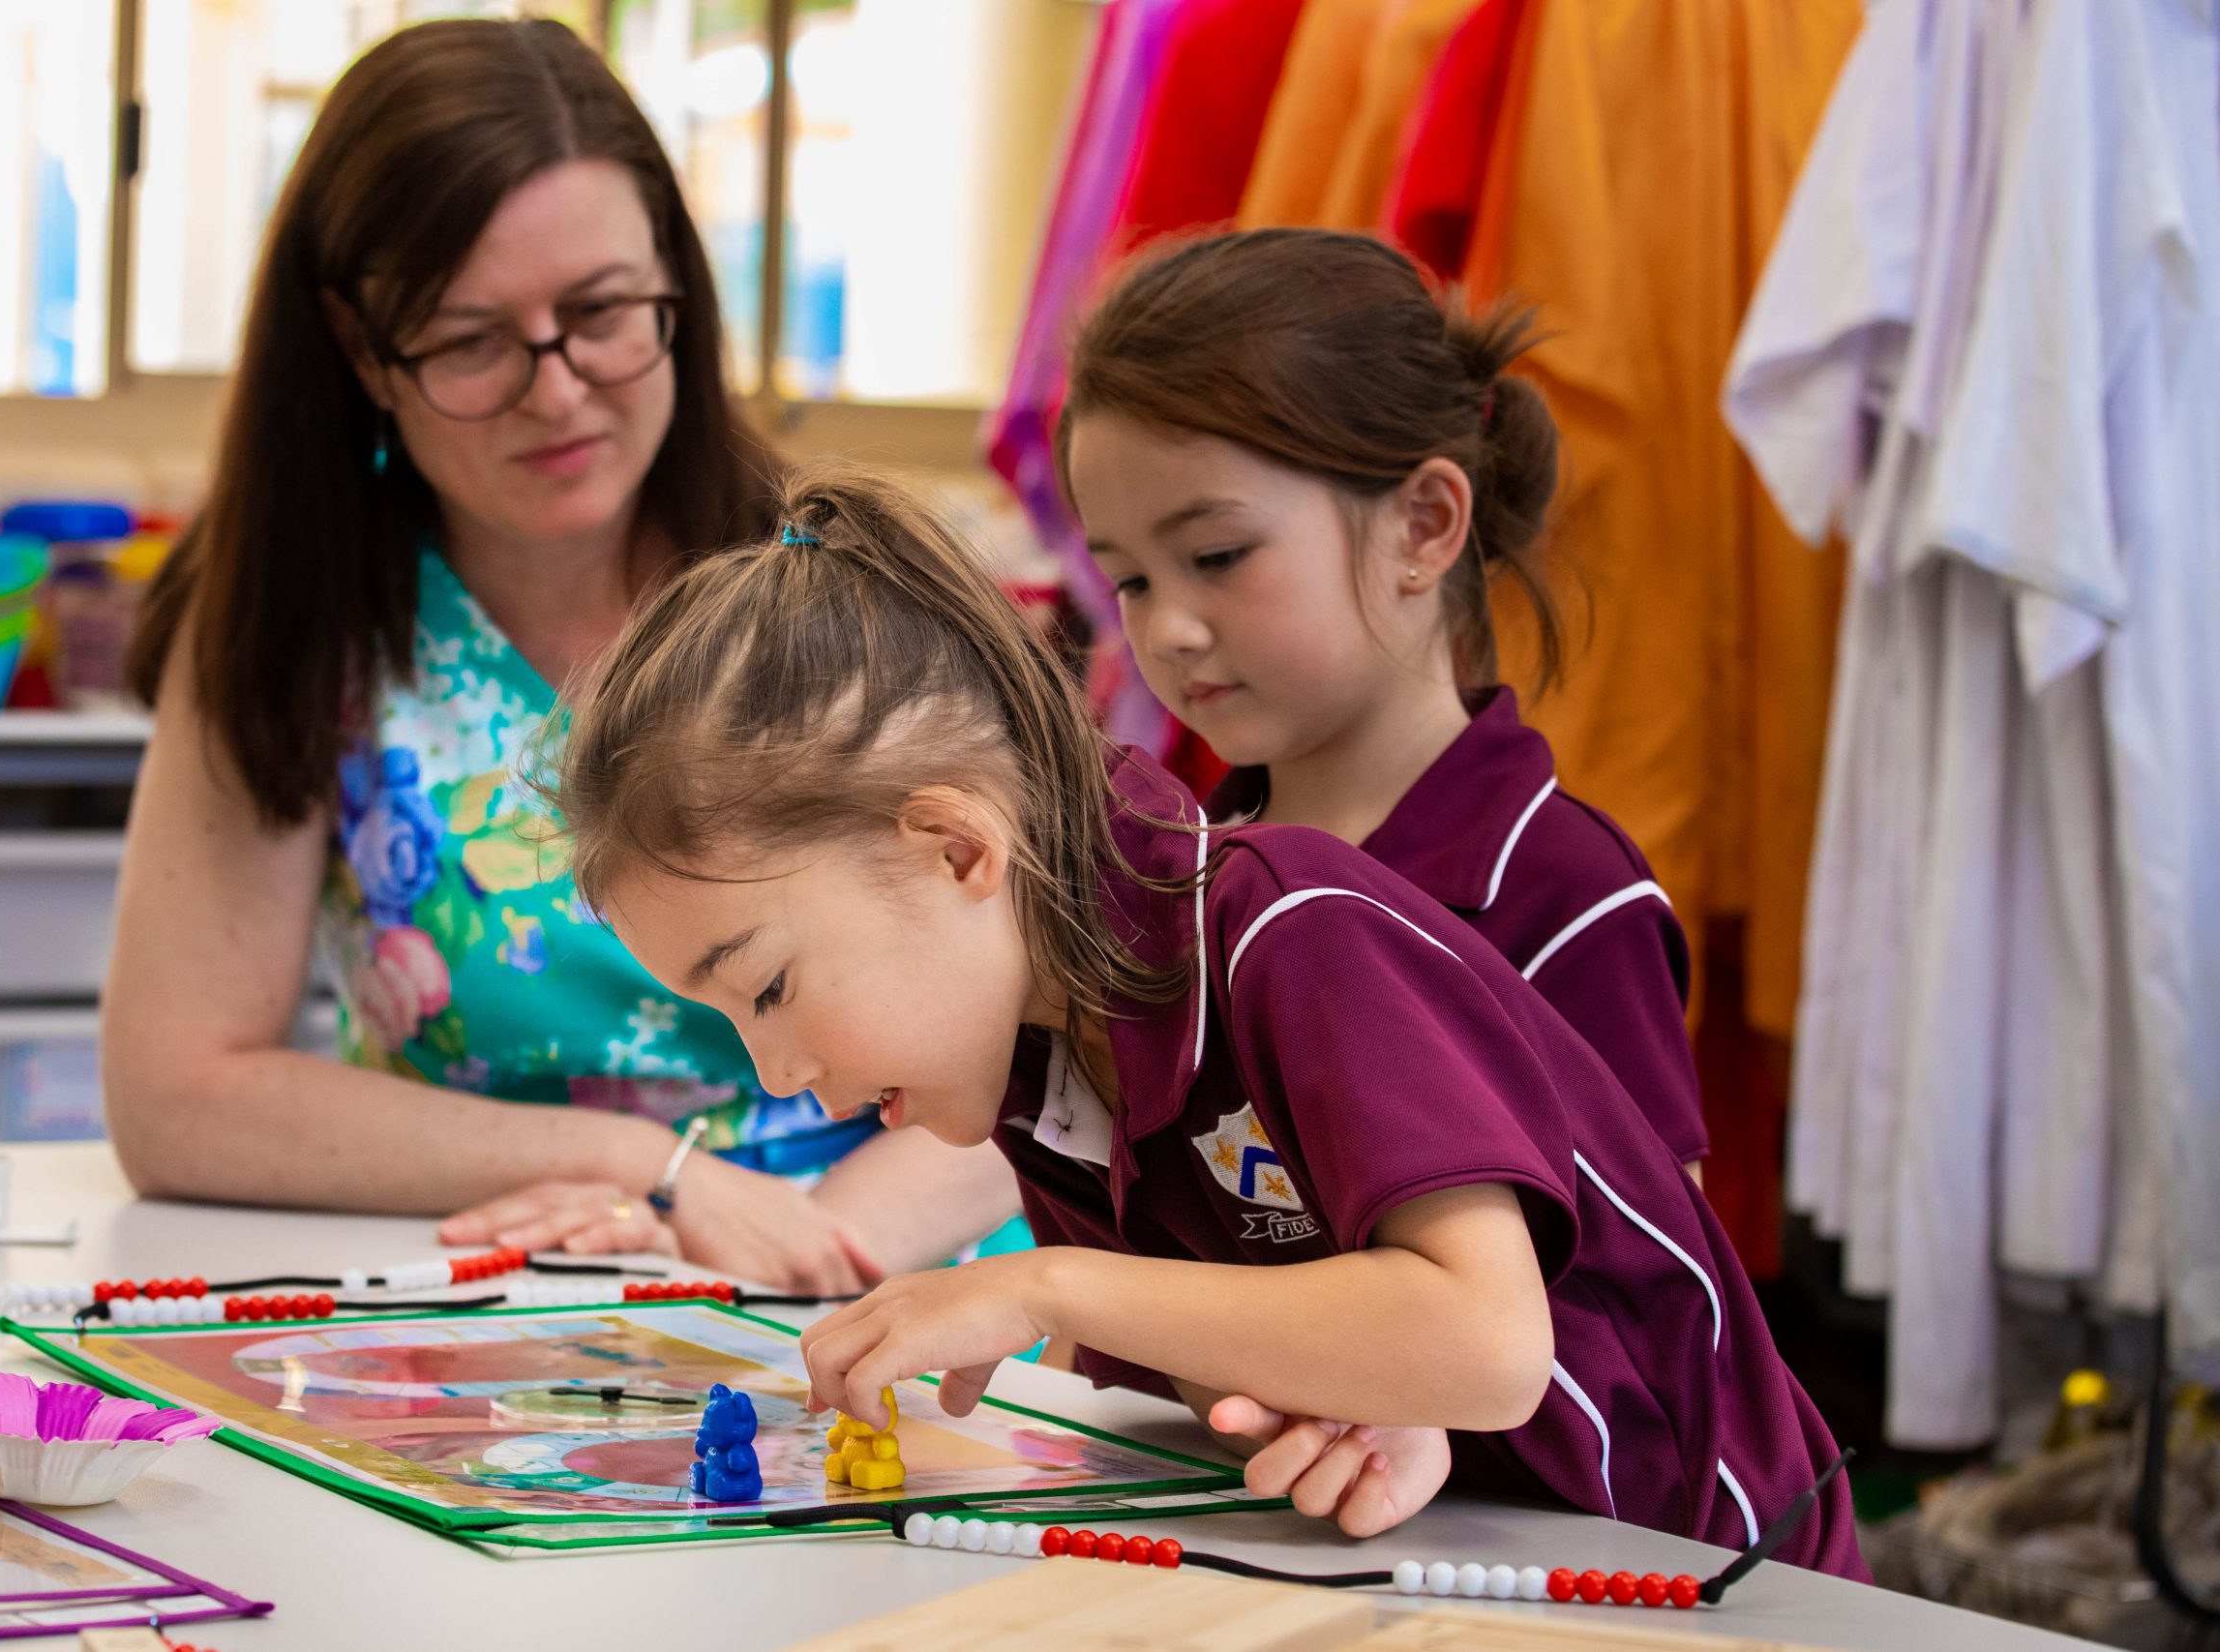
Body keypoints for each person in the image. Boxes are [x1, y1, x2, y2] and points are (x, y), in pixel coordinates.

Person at [542, 465, 1865, 1575]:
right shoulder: (1038, 1069)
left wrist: (1034, 1281)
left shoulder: (1290, 932)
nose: (783, 1077)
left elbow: (1491, 1340)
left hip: (1722, 1575)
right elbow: (1232, 1371)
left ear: (955, 848)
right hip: (1473, 1561)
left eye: (767, 987)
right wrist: (1350, 1402)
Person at [103, 18, 1015, 1293]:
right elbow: (178, 1097)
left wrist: (811, 1248)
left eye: (601, 313)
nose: (559, 390)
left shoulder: (841, 579)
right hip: (508, 1288)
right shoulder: (294, 613)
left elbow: (1066, 1010)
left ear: (677, 292)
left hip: (896, 1278)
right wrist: (652, 1168)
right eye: (472, 339)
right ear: (362, 350)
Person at [1062, 229, 1707, 1175]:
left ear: (1423, 523)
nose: (1169, 631)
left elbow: (1664, 1294)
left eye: (1216, 558)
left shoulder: (1563, 895)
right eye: (1129, 581)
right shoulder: (1186, 879)